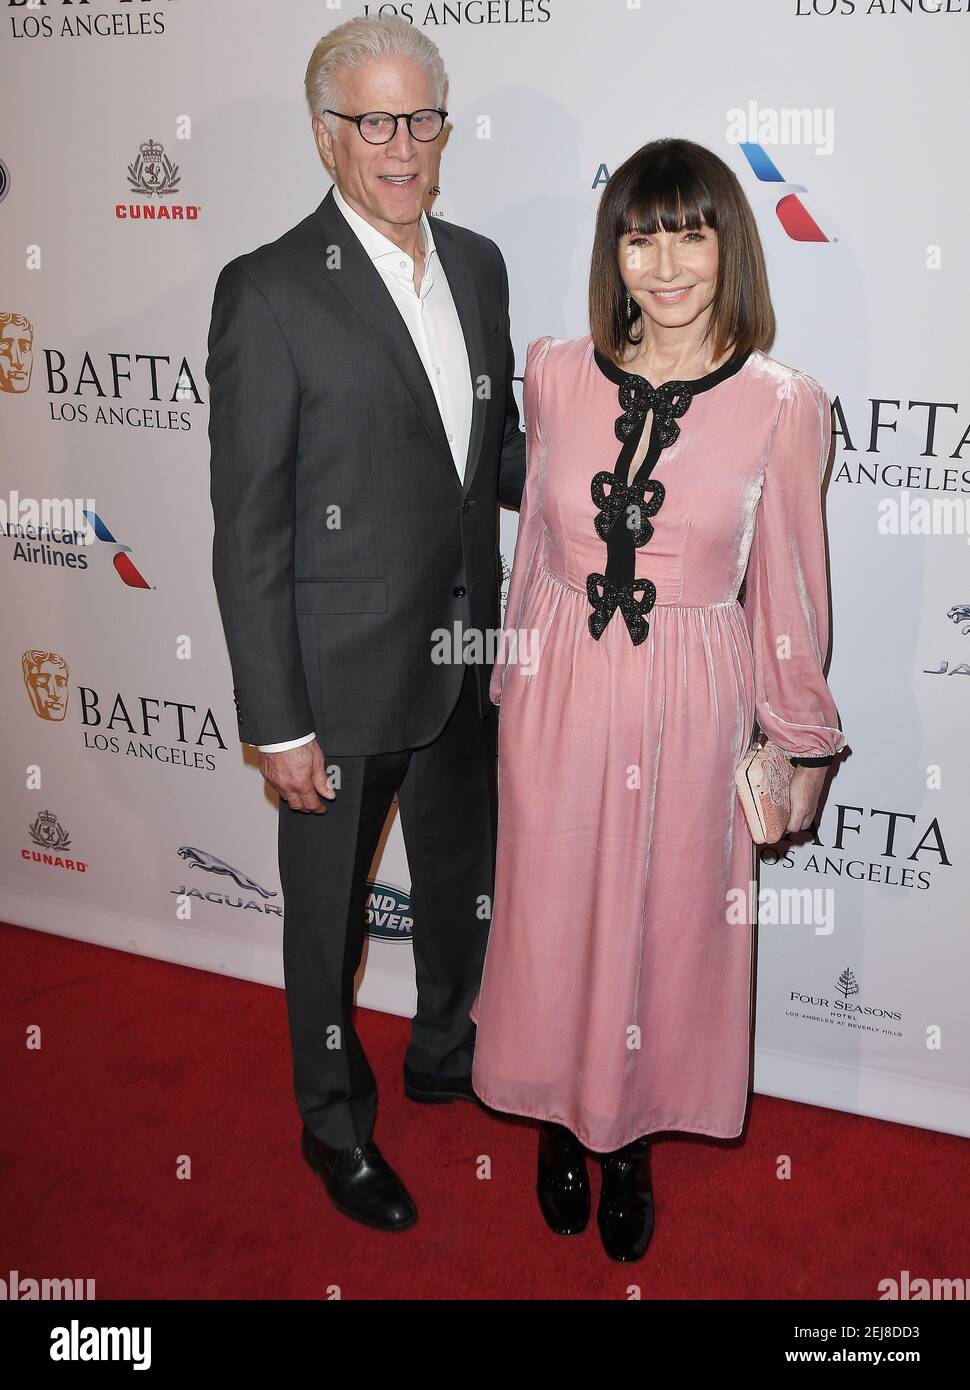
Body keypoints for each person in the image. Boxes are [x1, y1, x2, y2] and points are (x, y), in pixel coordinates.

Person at [470, 138, 847, 1263]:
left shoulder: (783, 404)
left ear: (728, 244)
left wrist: (801, 740)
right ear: (613, 248)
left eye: (692, 232)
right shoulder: (551, 369)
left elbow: (788, 588)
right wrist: (508, 674)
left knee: (659, 922)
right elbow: (534, 543)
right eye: (641, 235)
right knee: (547, 915)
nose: (667, 263)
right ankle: (552, 1111)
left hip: (690, 700)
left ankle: (625, 1138)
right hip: (558, 687)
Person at [206, 15, 525, 1233]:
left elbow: (487, 463)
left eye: (422, 118)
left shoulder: (483, 263)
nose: (402, 147)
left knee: (460, 883)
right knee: (326, 920)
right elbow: (251, 529)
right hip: (334, 684)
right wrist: (276, 718)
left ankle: (447, 1051)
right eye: (373, 121)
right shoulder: (270, 290)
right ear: (326, 134)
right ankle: (333, 1122)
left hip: (463, 656)